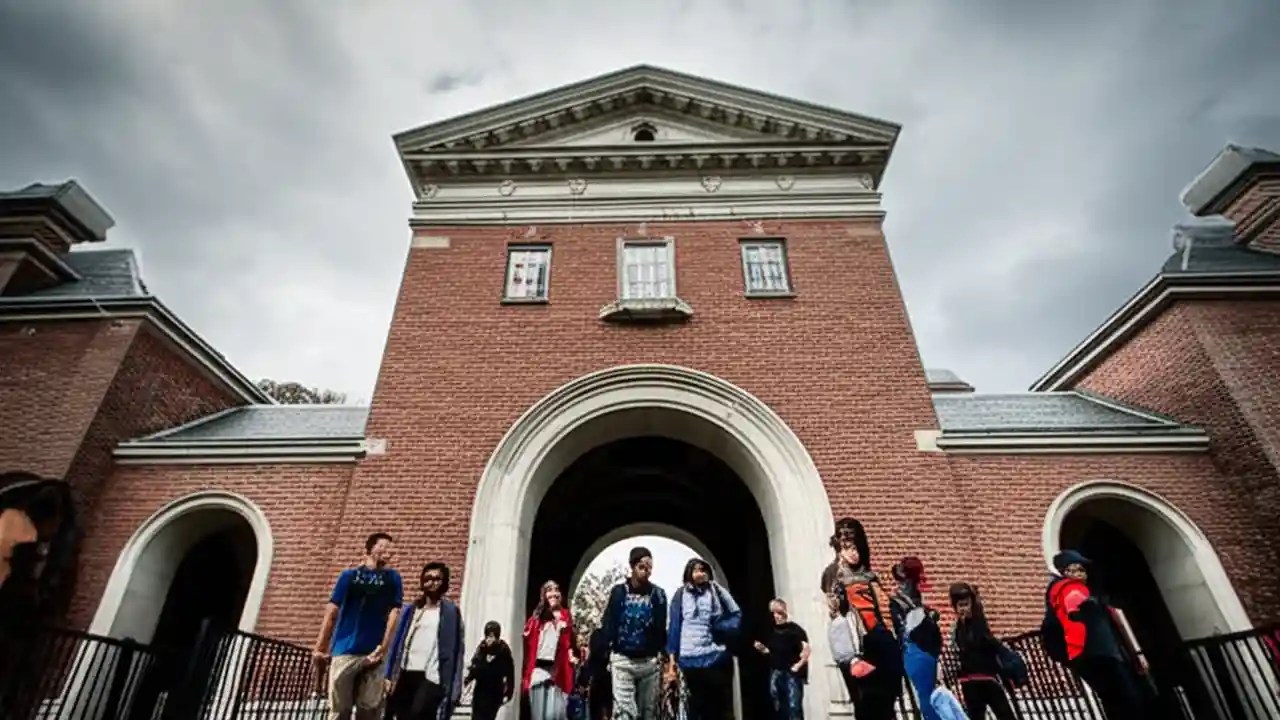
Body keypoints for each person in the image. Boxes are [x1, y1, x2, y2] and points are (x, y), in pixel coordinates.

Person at [1047, 550, 1151, 720]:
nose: (1083, 574)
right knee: (1128, 701)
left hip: (1099, 655)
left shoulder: (1073, 594)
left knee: (1120, 702)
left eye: (1083, 570)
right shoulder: (1069, 591)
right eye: (1077, 569)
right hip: (1101, 656)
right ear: (1065, 572)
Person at [313, 532, 404, 720]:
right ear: (371, 548)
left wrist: (384, 647)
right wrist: (320, 646)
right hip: (345, 650)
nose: (389, 552)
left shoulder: (393, 578)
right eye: (384, 547)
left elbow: (394, 613)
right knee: (339, 710)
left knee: (370, 710)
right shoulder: (349, 576)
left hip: (375, 651)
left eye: (391, 549)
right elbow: (332, 610)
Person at [825, 520, 903, 720]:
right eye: (844, 542)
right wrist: (840, 570)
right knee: (866, 702)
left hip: (882, 639)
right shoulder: (834, 573)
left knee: (887, 702)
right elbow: (836, 609)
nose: (849, 547)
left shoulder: (870, 575)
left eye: (852, 542)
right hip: (858, 644)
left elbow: (886, 606)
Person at [382, 562, 466, 720]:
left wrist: (455, 687)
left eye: (437, 579)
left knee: (420, 713)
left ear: (444, 582)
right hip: (406, 673)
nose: (432, 582)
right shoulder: (412, 610)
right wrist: (388, 674)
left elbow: (457, 651)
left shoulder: (450, 612)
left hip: (431, 675)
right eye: (428, 578)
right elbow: (397, 644)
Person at [601, 546, 668, 720]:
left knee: (648, 712)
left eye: (650, 568)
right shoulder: (619, 592)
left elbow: (661, 627)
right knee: (624, 713)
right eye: (642, 566)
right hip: (622, 660)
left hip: (649, 662)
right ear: (632, 566)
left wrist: (661, 655)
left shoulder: (658, 595)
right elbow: (609, 622)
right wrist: (607, 651)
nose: (647, 571)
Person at [667, 558, 738, 720]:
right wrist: (672, 661)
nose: (700, 573)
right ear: (689, 573)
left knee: (718, 706)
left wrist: (720, 628)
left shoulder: (716, 590)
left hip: (714, 655)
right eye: (696, 570)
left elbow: (736, 614)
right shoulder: (680, 594)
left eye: (703, 570)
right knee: (695, 705)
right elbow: (674, 627)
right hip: (690, 658)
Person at [948, 583, 1015, 720]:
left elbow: (985, 642)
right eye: (960, 606)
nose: (963, 609)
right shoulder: (957, 628)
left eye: (966, 605)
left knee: (1003, 713)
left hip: (985, 676)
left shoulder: (978, 624)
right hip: (970, 680)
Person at [888, 557, 942, 720]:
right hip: (919, 651)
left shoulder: (905, 602)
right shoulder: (908, 602)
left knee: (924, 696)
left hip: (917, 651)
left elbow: (901, 629)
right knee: (925, 695)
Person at [523, 580, 577, 720]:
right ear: (544, 595)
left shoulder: (566, 616)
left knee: (556, 714)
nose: (554, 593)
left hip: (558, 674)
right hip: (539, 671)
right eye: (549, 590)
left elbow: (570, 643)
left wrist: (572, 655)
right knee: (539, 715)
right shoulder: (537, 618)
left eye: (556, 590)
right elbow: (528, 641)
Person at [753, 599, 809, 720]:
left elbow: (806, 650)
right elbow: (770, 652)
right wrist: (762, 649)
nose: (776, 617)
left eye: (779, 613)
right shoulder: (771, 631)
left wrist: (798, 666)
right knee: (778, 705)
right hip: (776, 671)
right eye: (774, 613)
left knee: (794, 707)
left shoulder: (795, 630)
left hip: (791, 673)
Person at [464, 621, 516, 720]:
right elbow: (475, 665)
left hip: (494, 693)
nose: (489, 639)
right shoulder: (482, 648)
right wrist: (468, 679)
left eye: (492, 636)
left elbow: (510, 674)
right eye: (488, 636)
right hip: (480, 692)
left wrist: (508, 693)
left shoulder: (503, 650)